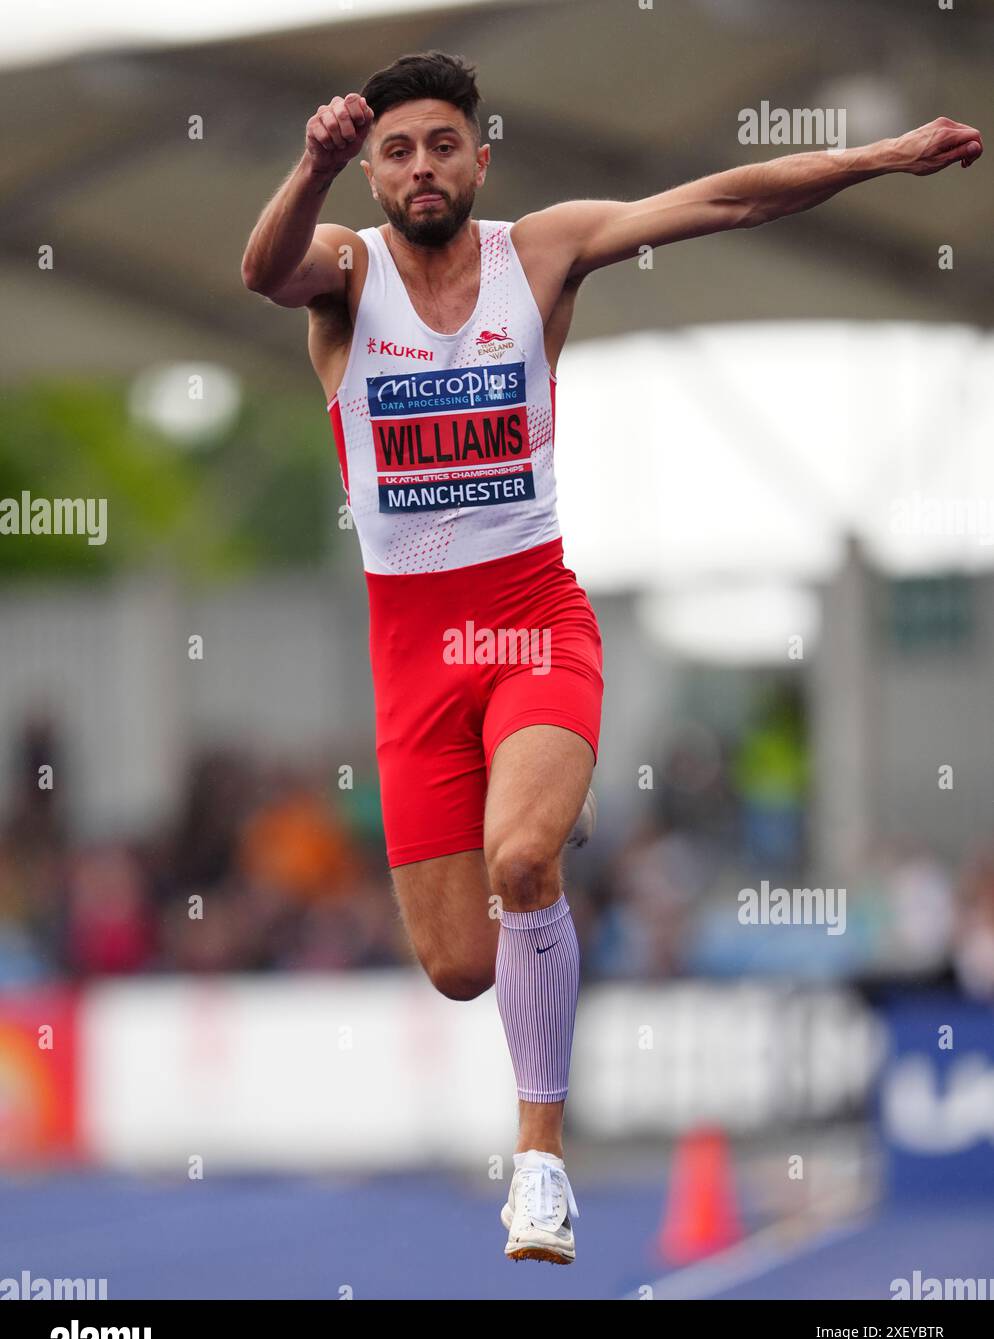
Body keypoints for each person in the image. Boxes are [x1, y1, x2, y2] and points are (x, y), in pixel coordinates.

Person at [241, 49, 982, 1263]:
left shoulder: (537, 252)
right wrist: (308, 163)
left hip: (533, 615)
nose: (421, 167)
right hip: (413, 652)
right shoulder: (343, 274)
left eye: (442, 143)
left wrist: (875, 157)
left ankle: (539, 1164)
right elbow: (258, 268)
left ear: (483, 154)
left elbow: (721, 198)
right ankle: (534, 828)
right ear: (369, 173)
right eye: (394, 150)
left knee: (524, 857)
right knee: (457, 967)